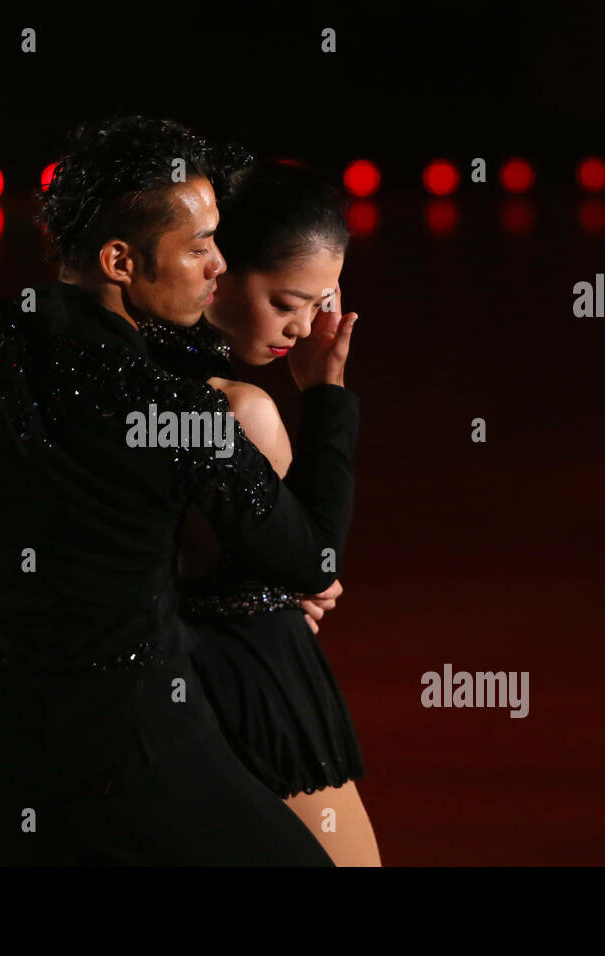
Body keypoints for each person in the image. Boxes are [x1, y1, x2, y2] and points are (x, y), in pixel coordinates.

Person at [0, 114, 361, 865]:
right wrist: (326, 396)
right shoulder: (182, 414)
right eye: (198, 248)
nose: (219, 265)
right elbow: (312, 559)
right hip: (151, 756)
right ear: (121, 260)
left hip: (6, 756)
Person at [138, 157, 379, 866]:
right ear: (217, 269)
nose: (305, 328)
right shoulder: (239, 412)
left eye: (319, 304)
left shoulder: (112, 381)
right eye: (287, 302)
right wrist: (327, 392)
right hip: (253, 698)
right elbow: (318, 559)